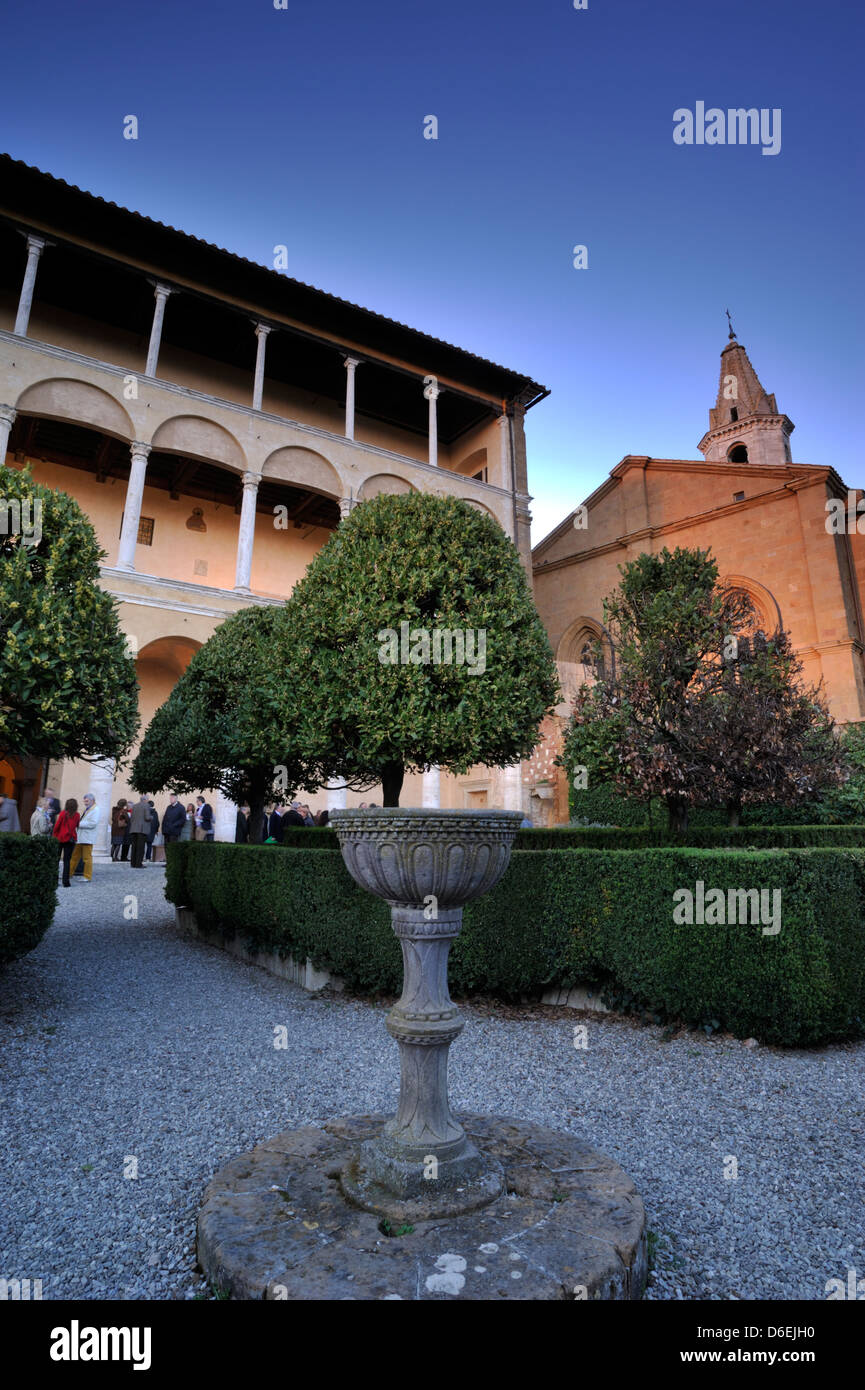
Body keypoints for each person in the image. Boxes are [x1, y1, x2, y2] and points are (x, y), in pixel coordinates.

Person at [69, 792, 100, 882]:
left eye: (87, 801)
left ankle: (87, 876)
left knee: (87, 858)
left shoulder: (96, 810)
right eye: (84, 801)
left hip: (87, 838)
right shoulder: (88, 809)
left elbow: (93, 823)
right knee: (74, 856)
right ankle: (69, 873)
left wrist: (78, 824)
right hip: (81, 837)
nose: (85, 803)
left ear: (92, 800)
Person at [53, 798, 80, 887]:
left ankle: (55, 881)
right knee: (67, 861)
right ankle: (66, 882)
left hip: (60, 838)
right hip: (70, 840)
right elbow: (77, 825)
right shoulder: (77, 815)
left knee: (56, 860)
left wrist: (54, 836)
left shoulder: (63, 814)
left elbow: (57, 826)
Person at [128, 794, 151, 867]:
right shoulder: (146, 805)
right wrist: (152, 817)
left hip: (134, 829)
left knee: (134, 847)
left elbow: (131, 818)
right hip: (142, 829)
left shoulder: (134, 806)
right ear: (145, 800)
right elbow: (147, 817)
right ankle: (138, 864)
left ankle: (133, 863)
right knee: (140, 848)